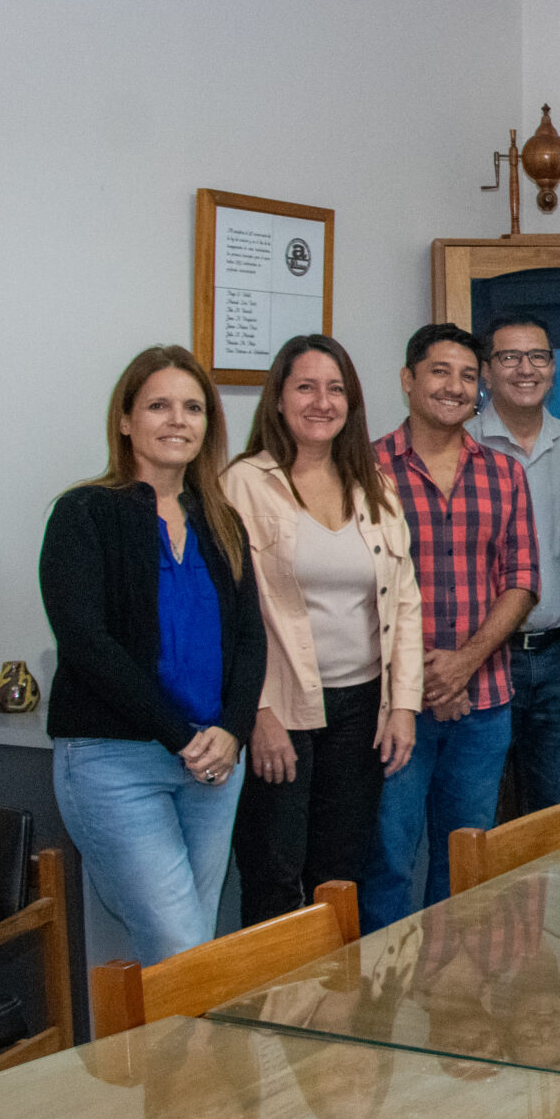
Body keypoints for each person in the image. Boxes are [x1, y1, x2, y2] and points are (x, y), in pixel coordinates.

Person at [39, 345, 266, 964]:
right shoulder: (84, 513)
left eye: (193, 408)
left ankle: (173, 1063)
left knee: (194, 942)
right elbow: (87, 644)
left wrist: (233, 730)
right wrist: (181, 737)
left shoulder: (220, 520)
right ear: (125, 419)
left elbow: (251, 637)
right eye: (159, 405)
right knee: (178, 944)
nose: (177, 420)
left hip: (214, 761)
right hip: (116, 762)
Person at [223, 334, 423, 927]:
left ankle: (333, 1004)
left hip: (361, 707)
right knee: (275, 872)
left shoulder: (374, 485)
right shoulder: (244, 484)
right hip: (281, 711)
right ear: (278, 399)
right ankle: (272, 1013)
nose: (321, 401)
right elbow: (232, 615)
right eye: (305, 387)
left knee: (340, 874)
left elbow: (404, 603)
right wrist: (257, 714)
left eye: (335, 389)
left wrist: (402, 706)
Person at [364, 323, 539, 930]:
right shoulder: (363, 470)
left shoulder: (504, 473)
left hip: (484, 704)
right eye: (440, 371)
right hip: (393, 709)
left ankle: (451, 1010)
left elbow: (522, 580)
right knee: (385, 862)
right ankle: (381, 1003)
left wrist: (463, 661)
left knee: (466, 865)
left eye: (468, 376)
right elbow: (354, 589)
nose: (455, 387)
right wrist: (421, 679)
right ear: (409, 380)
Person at [473, 312, 560, 813]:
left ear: (553, 367)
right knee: (480, 810)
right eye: (509, 357)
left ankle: (551, 897)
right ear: (487, 370)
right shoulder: (465, 446)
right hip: (482, 656)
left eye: (538, 357)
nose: (526, 368)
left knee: (556, 811)